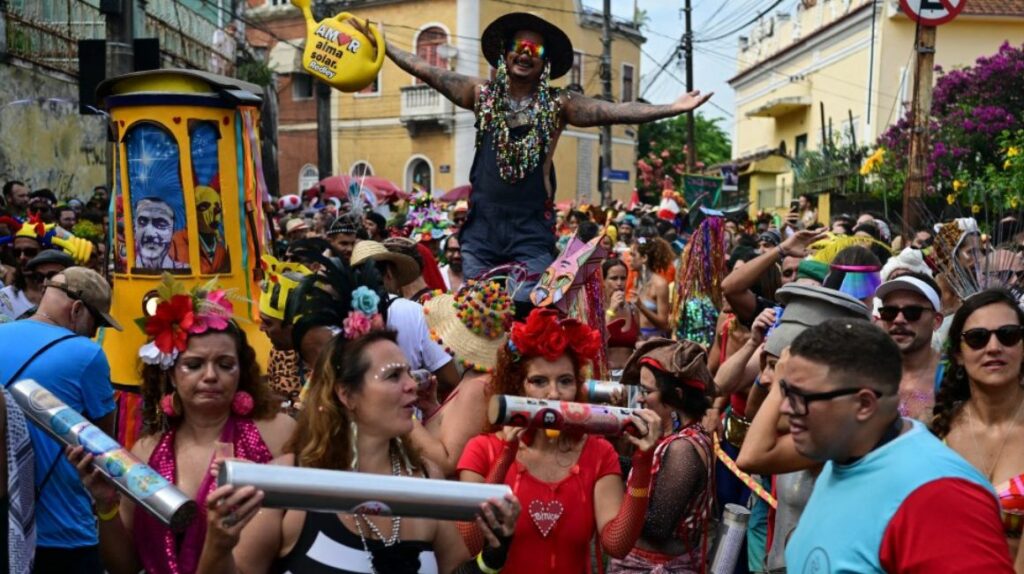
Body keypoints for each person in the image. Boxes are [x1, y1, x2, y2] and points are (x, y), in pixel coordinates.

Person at [352, 12, 710, 308]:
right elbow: (427, 70)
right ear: (505, 55)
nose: (525, 54)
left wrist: (669, 108)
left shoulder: (558, 105)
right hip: (482, 230)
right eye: (518, 47)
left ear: (545, 61)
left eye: (534, 49)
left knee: (531, 309)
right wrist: (383, 46)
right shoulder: (481, 94)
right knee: (479, 312)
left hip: (530, 232)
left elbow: (614, 110)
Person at [196, 331, 520, 574]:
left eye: (409, 373)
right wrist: (218, 544)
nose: (412, 385)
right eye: (393, 375)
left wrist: (492, 556)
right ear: (346, 395)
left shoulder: (425, 479)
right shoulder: (289, 483)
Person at [66, 279, 294, 574]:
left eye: (225, 365)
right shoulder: (146, 451)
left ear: (242, 371)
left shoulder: (278, 433)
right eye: (194, 365)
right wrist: (106, 505)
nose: (210, 376)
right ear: (172, 375)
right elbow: (125, 567)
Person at [780, 319, 1013, 572]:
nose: (785, 408)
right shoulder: (845, 455)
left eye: (800, 398)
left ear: (864, 404)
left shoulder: (942, 497)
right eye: (785, 392)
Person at [458, 308, 662, 574]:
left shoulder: (599, 452)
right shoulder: (482, 449)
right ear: (518, 386)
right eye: (539, 381)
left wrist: (643, 464)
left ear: (577, 387)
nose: (553, 394)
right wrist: (506, 456)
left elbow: (617, 544)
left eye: (565, 381)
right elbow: (470, 542)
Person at [0, 267, 120, 573]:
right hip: (62, 529)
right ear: (77, 310)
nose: (94, 335)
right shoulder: (87, 354)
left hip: (7, 524)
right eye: (96, 325)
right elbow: (103, 447)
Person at [931, 289, 1024, 569]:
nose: (993, 347)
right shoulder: (935, 433)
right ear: (958, 354)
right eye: (977, 338)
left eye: (1008, 335)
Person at [609, 339, 715, 573]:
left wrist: (609, 500)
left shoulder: (683, 449)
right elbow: (647, 475)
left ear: (676, 395)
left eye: (647, 392)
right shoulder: (676, 436)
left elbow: (658, 525)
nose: (639, 399)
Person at [416, 279, 514, 476]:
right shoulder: (475, 377)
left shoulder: (477, 387)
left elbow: (448, 463)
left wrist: (403, 416)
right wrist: (433, 409)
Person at [874, 273, 944, 422]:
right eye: (890, 312)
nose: (899, 320)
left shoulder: (953, 375)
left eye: (912, 312)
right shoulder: (866, 372)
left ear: (936, 321)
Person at [0, 249, 74, 323]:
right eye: (39, 277)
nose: (44, 283)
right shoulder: (26, 319)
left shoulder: (79, 315)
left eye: (52, 276)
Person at [629, 237, 673, 339]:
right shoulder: (636, 280)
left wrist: (641, 306)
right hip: (638, 339)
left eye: (633, 255)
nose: (629, 258)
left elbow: (664, 324)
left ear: (644, 258)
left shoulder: (660, 284)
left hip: (654, 341)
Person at [604, 257, 638, 371]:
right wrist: (611, 310)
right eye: (614, 278)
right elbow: (597, 339)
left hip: (629, 375)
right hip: (605, 375)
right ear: (603, 281)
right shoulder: (595, 310)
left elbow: (639, 338)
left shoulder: (633, 309)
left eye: (623, 278)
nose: (619, 283)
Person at [134, 198, 187, 270]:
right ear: (135, 228)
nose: (150, 233)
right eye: (142, 222)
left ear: (173, 230)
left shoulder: (185, 270)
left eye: (161, 223)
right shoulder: (124, 267)